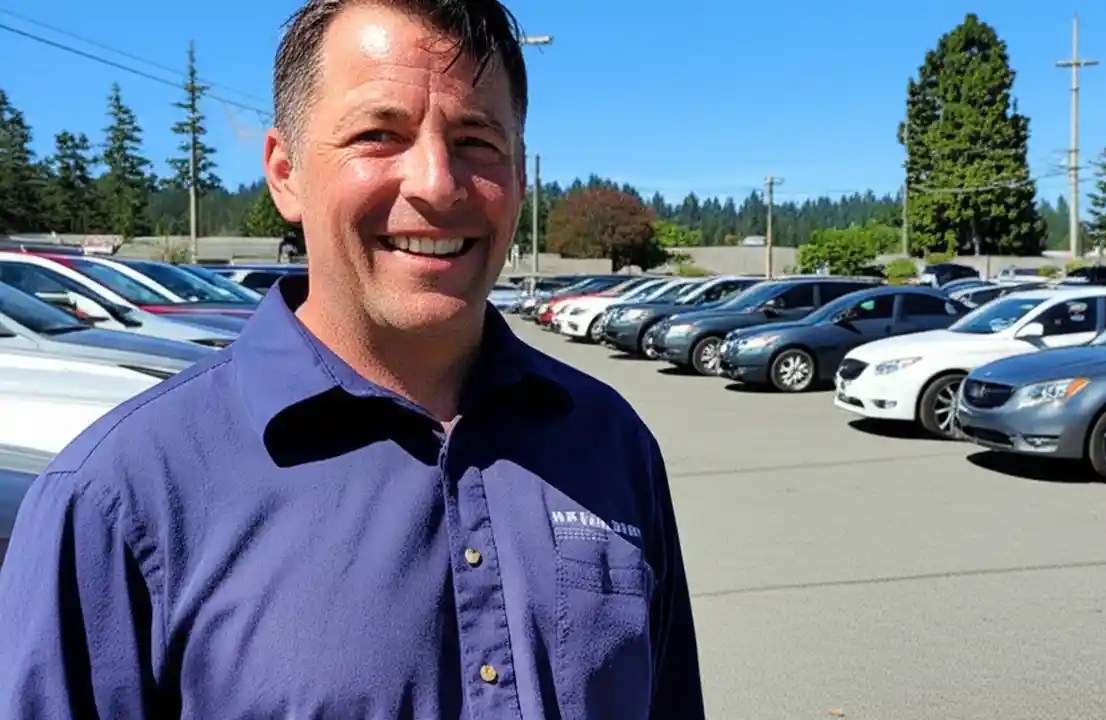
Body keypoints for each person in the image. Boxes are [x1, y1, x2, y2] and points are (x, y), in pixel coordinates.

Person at [0, 1, 704, 717]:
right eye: (378, 135)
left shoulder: (610, 445)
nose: (437, 182)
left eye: (476, 140)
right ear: (286, 173)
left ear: (520, 175)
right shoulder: (120, 497)